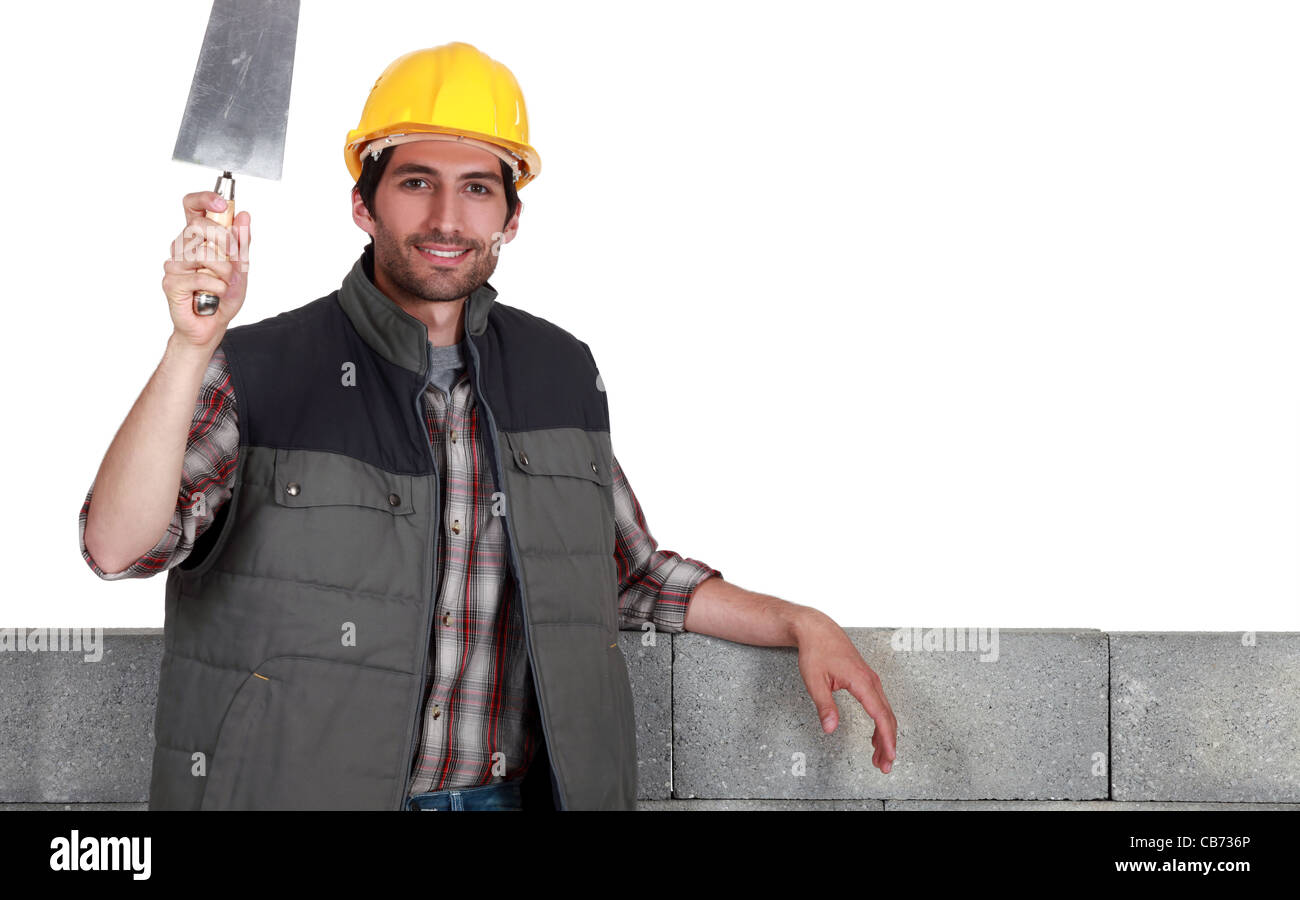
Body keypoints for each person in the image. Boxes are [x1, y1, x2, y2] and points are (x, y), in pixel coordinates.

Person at [80, 41, 897, 811]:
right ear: (363, 204)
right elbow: (118, 547)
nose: (446, 217)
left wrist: (801, 621)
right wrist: (190, 347)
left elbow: (623, 573)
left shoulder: (559, 371)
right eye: (415, 182)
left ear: (510, 217)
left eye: (477, 187)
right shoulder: (259, 365)